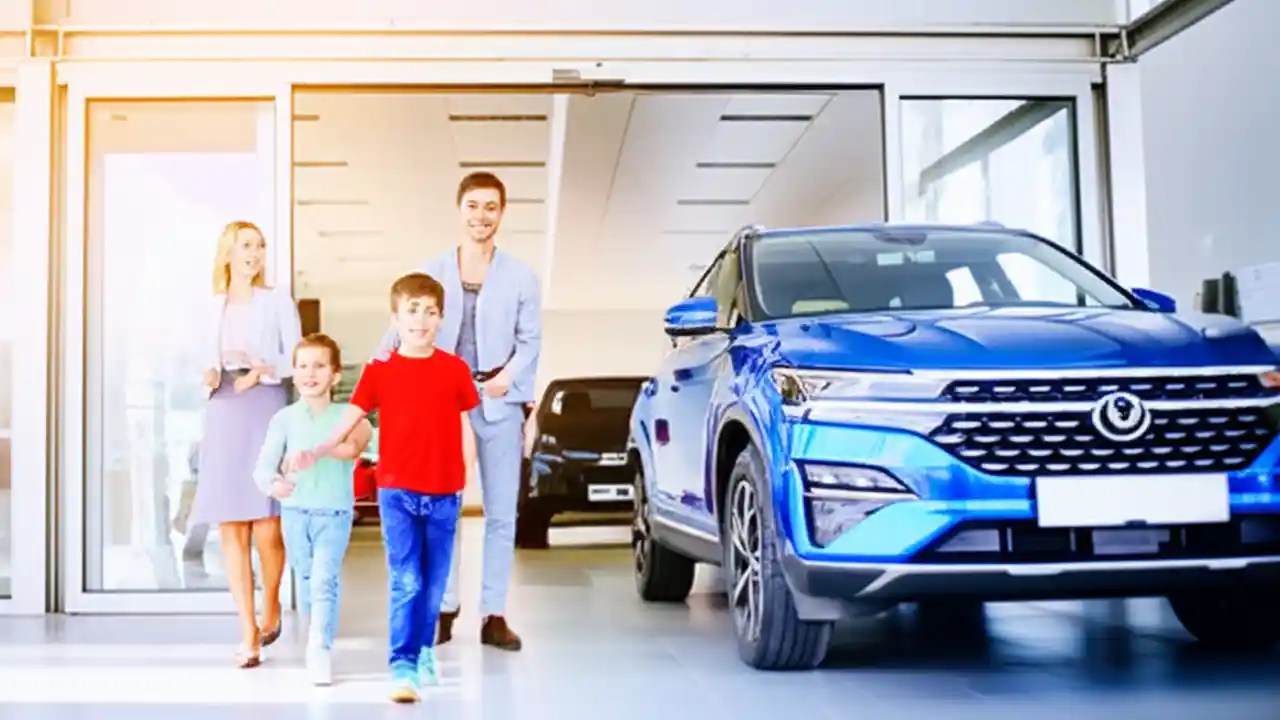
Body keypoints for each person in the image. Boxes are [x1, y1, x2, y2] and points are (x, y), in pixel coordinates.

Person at [375, 171, 541, 651]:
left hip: (498, 399)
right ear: (459, 210)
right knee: (442, 508)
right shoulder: (434, 271)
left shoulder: (521, 276)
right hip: (440, 406)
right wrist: (376, 374)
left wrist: (510, 376)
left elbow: (530, 342)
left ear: (502, 214)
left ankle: (494, 613)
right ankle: (444, 608)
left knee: (500, 512)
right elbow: (403, 329)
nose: (481, 216)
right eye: (473, 206)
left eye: (491, 207)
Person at [301, 272, 479, 703]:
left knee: (436, 583)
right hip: (397, 490)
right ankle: (402, 665)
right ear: (395, 318)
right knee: (407, 580)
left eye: (430, 312)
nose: (421, 320)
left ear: (441, 318)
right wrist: (322, 447)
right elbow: (354, 416)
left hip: (444, 492)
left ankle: (422, 649)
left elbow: (467, 426)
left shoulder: (454, 369)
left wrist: (466, 477)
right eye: (412, 311)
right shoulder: (380, 372)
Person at [188, 220, 301, 668]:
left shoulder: (276, 301)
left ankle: (271, 604)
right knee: (230, 525)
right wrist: (210, 373)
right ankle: (248, 630)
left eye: (260, 246)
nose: (255, 253)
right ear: (229, 254)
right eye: (246, 246)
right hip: (223, 407)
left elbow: (293, 357)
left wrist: (260, 371)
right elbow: (199, 358)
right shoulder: (211, 306)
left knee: (266, 524)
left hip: (264, 403)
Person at [252, 333, 373, 686]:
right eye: (303, 366)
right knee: (306, 580)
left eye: (319, 366)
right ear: (293, 373)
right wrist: (273, 485)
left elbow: (367, 445)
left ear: (335, 375)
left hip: (334, 515)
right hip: (295, 515)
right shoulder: (284, 419)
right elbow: (263, 467)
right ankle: (314, 635)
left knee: (324, 581)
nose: (310, 373)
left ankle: (319, 648)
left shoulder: (348, 418)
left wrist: (340, 446)